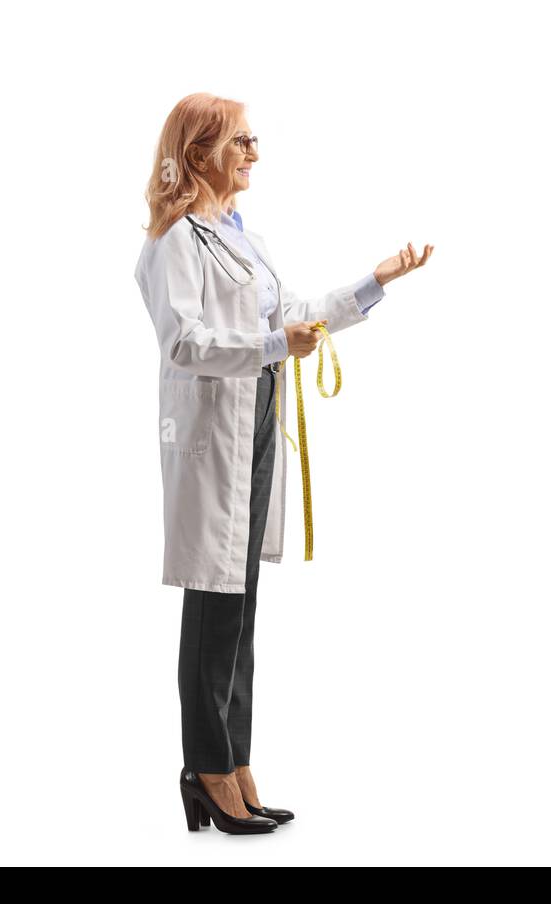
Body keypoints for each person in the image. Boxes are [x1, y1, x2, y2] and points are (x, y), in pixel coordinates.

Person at [135, 93, 433, 835]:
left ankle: (234, 762)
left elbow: (291, 311)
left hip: (256, 421)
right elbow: (184, 343)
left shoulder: (243, 236)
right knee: (213, 601)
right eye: (241, 141)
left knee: (240, 606)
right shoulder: (177, 241)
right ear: (200, 150)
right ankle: (206, 767)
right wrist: (275, 349)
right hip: (216, 430)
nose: (254, 154)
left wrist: (375, 283)